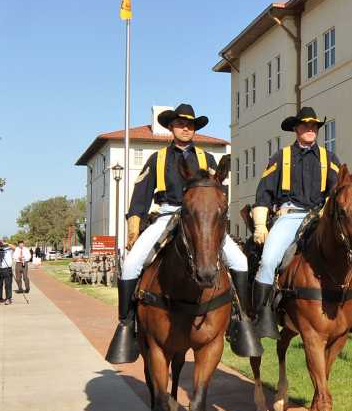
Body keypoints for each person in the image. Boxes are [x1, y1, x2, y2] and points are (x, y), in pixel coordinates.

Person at [109, 103, 259, 363]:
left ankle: (240, 319)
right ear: (171, 127)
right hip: (167, 213)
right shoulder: (157, 159)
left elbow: (215, 194)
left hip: (200, 219)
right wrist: (134, 228)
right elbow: (141, 197)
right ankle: (127, 324)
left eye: (190, 125)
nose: (186, 128)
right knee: (132, 264)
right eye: (180, 124)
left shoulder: (207, 159)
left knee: (240, 261)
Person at [250, 106, 352, 335]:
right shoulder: (280, 158)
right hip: (289, 216)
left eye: (314, 126)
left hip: (321, 216)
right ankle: (262, 317)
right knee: (269, 261)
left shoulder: (330, 159)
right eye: (305, 125)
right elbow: (264, 193)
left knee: (350, 251)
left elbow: (342, 191)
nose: (310, 129)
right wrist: (260, 225)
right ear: (296, 129)